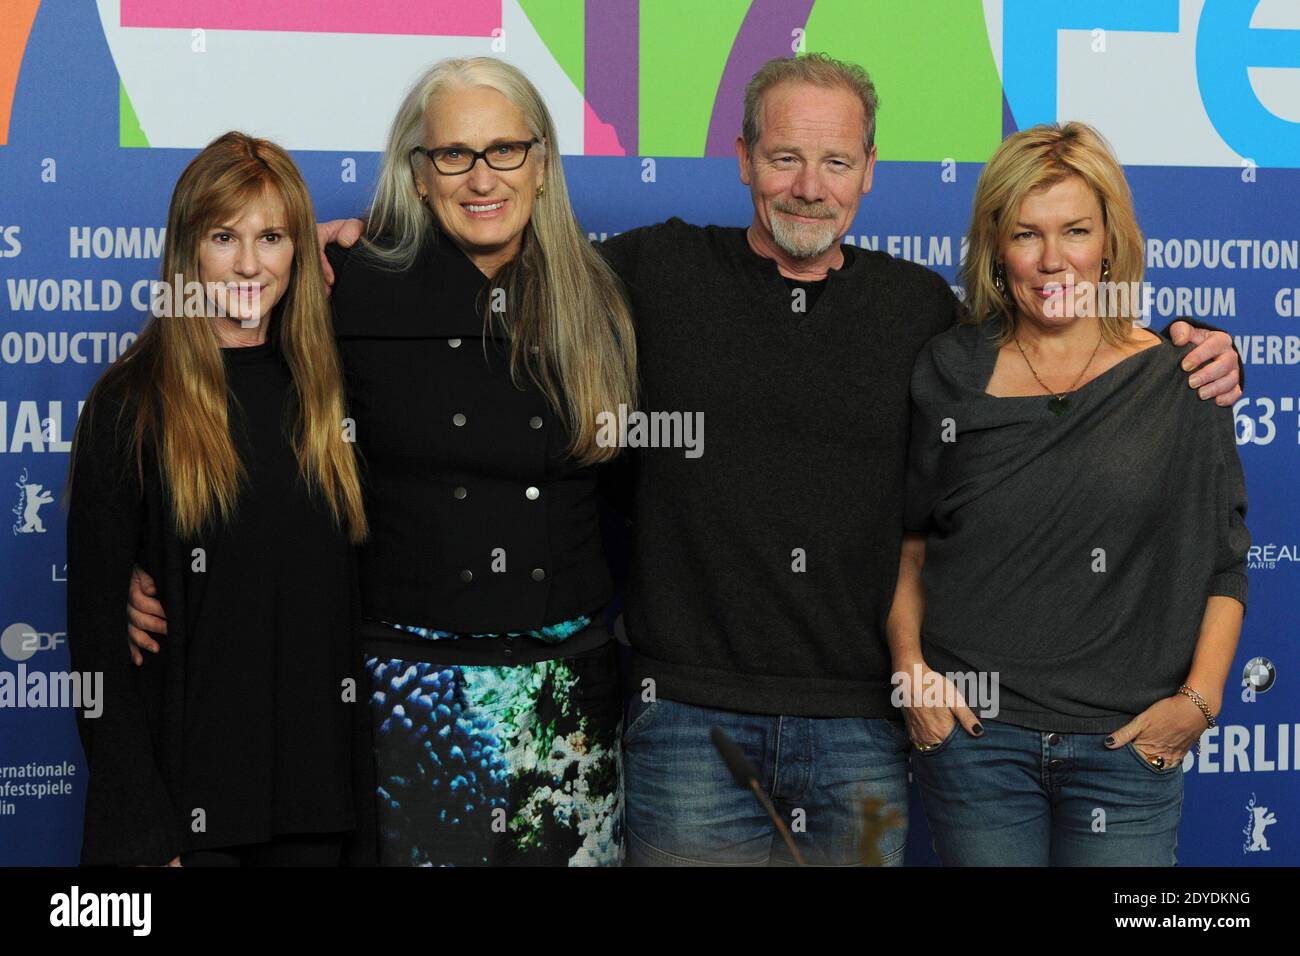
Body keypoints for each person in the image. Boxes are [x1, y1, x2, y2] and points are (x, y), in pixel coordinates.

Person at [316, 54, 1241, 867]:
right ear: (745, 156)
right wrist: (361, 247)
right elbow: (508, 252)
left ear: (870, 171)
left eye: (836, 161)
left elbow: (1052, 351)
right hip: (683, 722)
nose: (808, 186)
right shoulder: (647, 272)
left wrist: (1188, 347)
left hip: (863, 733)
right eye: (785, 157)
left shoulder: (919, 313)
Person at [127, 58, 638, 866]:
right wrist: (147, 561)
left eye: (506, 149)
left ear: (542, 167)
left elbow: (659, 493)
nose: (481, 176)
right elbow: (236, 428)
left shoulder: (605, 296)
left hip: (568, 693)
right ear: (418, 173)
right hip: (411, 691)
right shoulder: (345, 287)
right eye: (453, 155)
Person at [892, 122, 1248, 866]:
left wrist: (1199, 705)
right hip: (976, 744)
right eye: (1026, 234)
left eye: (1076, 231)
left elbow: (1223, 562)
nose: (1053, 261)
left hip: (1128, 752)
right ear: (996, 248)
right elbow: (912, 540)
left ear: (1111, 241)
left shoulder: (1185, 376)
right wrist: (911, 672)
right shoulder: (948, 370)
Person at [67, 131, 369, 867]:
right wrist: (145, 837)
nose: (247, 263)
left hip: (320, 809)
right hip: (185, 820)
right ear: (187, 252)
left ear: (300, 251)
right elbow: (97, 648)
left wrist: (352, 239)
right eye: (223, 236)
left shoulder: (335, 393)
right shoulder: (132, 403)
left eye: (271, 237)